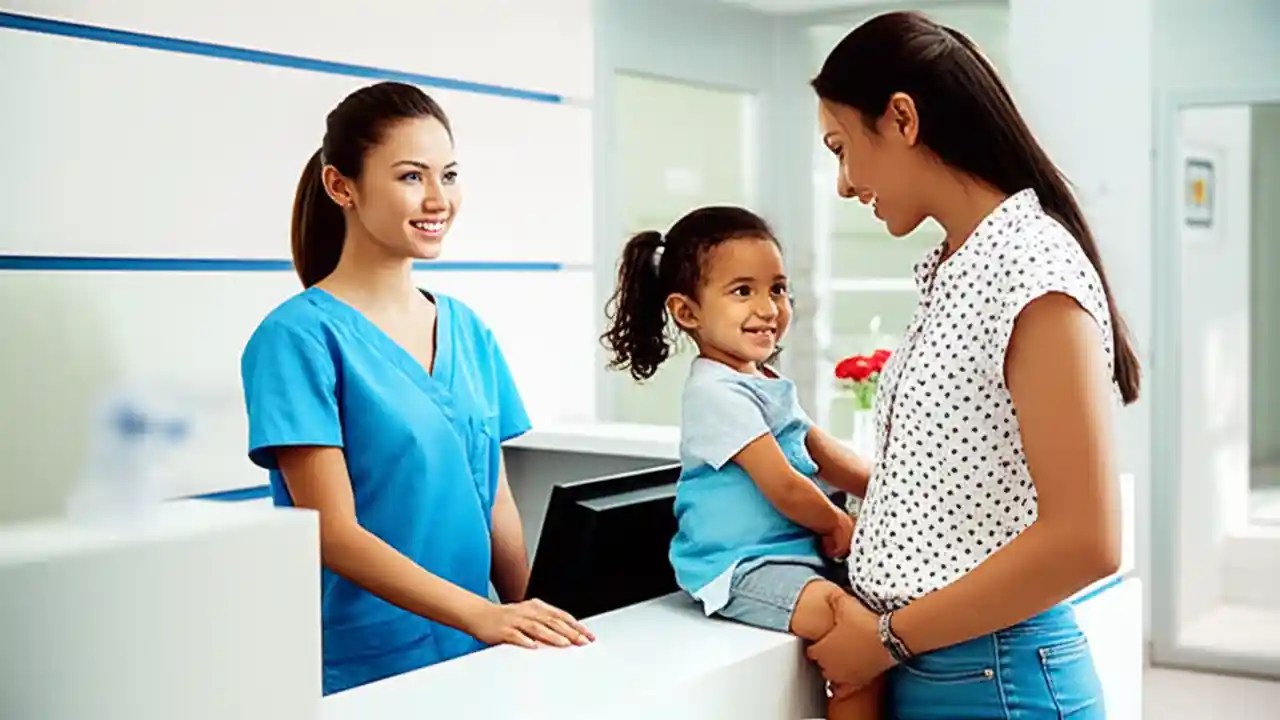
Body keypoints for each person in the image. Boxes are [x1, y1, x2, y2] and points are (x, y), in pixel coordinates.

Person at [803, 11, 1137, 719]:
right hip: (951, 673)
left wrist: (887, 639)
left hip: (996, 680)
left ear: (901, 118)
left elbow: (1087, 540)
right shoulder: (961, 266)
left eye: (841, 147)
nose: (842, 182)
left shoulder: (1030, 265)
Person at [240, 81, 593, 696]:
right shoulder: (295, 339)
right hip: (367, 667)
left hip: (479, 656)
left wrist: (536, 614)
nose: (438, 199)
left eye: (449, 175)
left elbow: (496, 503)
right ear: (340, 186)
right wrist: (484, 614)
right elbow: (331, 531)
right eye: (411, 176)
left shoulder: (469, 329)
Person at [600, 206, 882, 720]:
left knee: (891, 606)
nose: (769, 307)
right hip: (741, 566)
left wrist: (893, 488)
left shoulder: (763, 380)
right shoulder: (714, 392)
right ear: (687, 313)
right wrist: (839, 521)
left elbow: (821, 451)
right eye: (742, 291)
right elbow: (785, 487)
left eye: (777, 288)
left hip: (792, 554)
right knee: (854, 628)